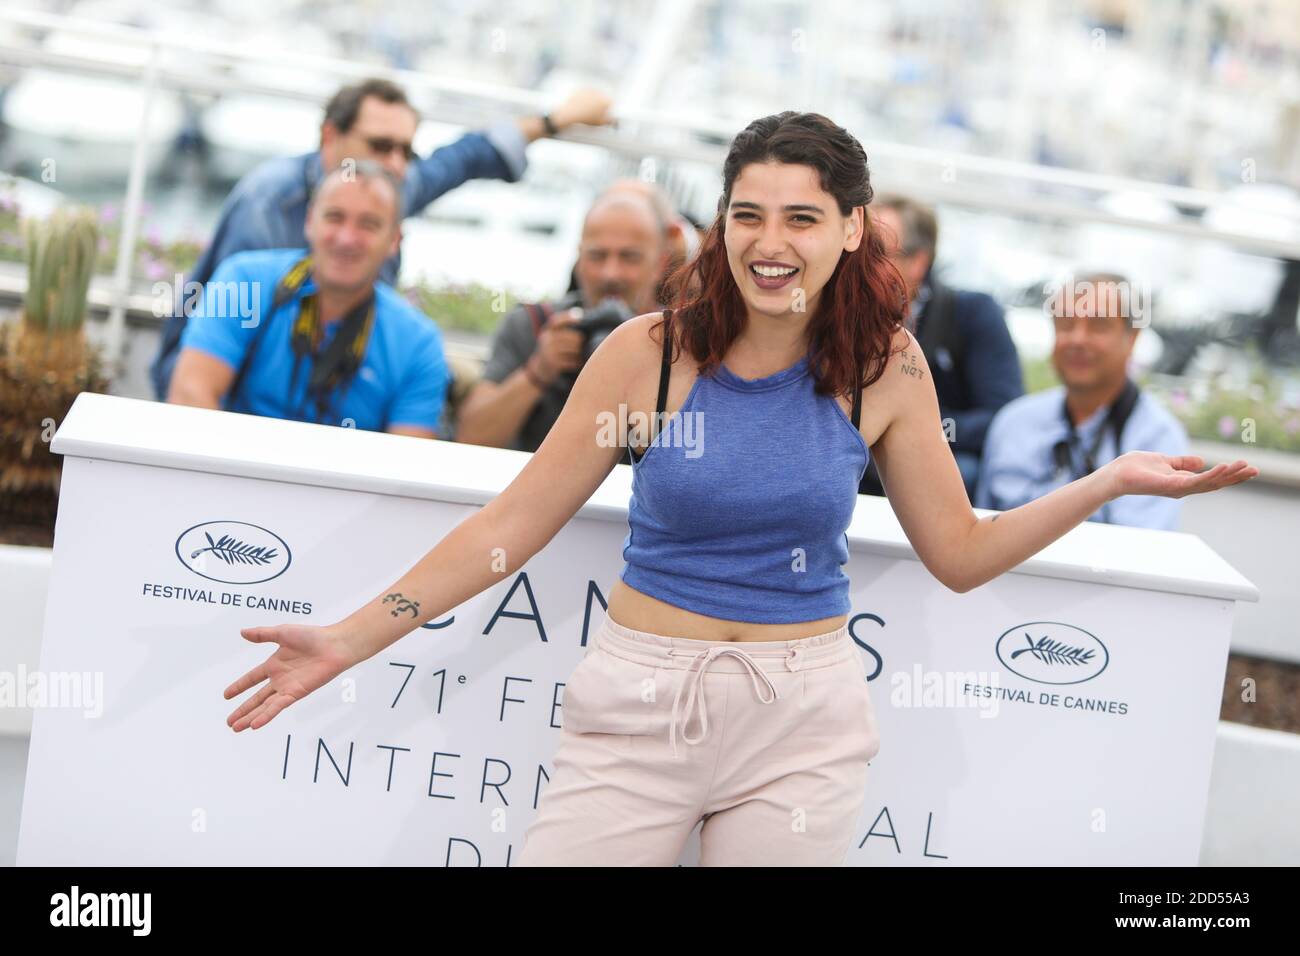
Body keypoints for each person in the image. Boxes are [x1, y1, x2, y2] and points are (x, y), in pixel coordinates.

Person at [221, 112, 1256, 867]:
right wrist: (352, 635)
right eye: (747, 214)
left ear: (853, 229)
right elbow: (512, 523)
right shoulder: (648, 357)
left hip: (800, 721)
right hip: (635, 707)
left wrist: (1108, 478)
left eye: (801, 217)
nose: (770, 242)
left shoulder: (884, 367)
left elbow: (960, 552)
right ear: (718, 225)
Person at [149, 77, 614, 399]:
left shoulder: (391, 184)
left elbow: (470, 156)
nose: (395, 163)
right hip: (228, 380)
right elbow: (231, 343)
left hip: (330, 376)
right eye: (380, 146)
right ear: (331, 138)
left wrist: (559, 118)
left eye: (405, 149)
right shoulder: (270, 203)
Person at [167, 161, 447, 437]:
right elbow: (190, 398)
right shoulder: (244, 280)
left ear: (394, 241)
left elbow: (406, 464)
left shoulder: (419, 343)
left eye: (368, 225)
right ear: (310, 221)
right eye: (335, 217)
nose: (347, 238)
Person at [455, 186, 671, 452]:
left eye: (629, 257)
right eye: (597, 255)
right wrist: (538, 372)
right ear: (578, 258)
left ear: (660, 264)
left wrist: (659, 373)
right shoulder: (534, 326)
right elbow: (469, 441)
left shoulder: (681, 341)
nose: (610, 274)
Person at [975, 272, 1191, 530]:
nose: (1077, 339)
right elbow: (979, 530)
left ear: (1132, 338)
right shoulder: (1013, 423)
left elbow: (1137, 555)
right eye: (1065, 324)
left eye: (1098, 325)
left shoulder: (1158, 439)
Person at [858, 195, 1023, 499]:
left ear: (918, 261)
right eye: (857, 251)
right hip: (859, 462)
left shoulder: (971, 313)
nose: (862, 266)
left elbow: (1006, 418)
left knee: (964, 472)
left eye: (877, 253)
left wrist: (910, 428)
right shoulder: (841, 313)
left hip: (941, 461)